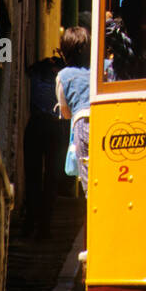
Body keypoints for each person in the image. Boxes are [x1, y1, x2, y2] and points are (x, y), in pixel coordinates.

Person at [22, 51, 64, 238]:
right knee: (51, 178)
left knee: (33, 177)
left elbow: (28, 69)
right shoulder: (61, 77)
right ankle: (44, 226)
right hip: (54, 127)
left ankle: (31, 222)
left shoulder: (36, 74)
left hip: (36, 125)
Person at [55, 25, 92, 196]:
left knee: (88, 177)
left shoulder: (64, 76)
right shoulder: (100, 69)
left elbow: (65, 111)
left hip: (82, 123)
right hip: (105, 119)